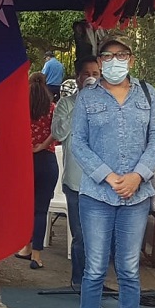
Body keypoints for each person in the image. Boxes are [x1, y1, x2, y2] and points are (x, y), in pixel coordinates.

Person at [70, 36, 155, 308]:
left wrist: (138, 176)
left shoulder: (148, 94)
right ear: (100, 60)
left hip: (136, 197)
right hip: (97, 195)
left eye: (120, 55)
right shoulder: (87, 96)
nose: (113, 61)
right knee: (94, 269)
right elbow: (77, 142)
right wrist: (108, 176)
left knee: (129, 269)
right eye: (107, 56)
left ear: (131, 59)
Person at [51, 56, 100, 291]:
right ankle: (79, 281)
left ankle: (97, 281)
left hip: (103, 182)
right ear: (78, 78)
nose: (91, 77)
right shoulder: (66, 104)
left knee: (101, 237)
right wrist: (81, 102)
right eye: (86, 73)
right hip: (76, 182)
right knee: (80, 236)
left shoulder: (108, 103)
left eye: (96, 73)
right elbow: (59, 132)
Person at [15, 73, 59, 269]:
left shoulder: (20, 108)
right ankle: (37, 256)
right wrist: (43, 145)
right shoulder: (52, 108)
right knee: (41, 210)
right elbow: (57, 131)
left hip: (26, 163)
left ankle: (25, 247)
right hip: (47, 161)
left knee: (26, 210)